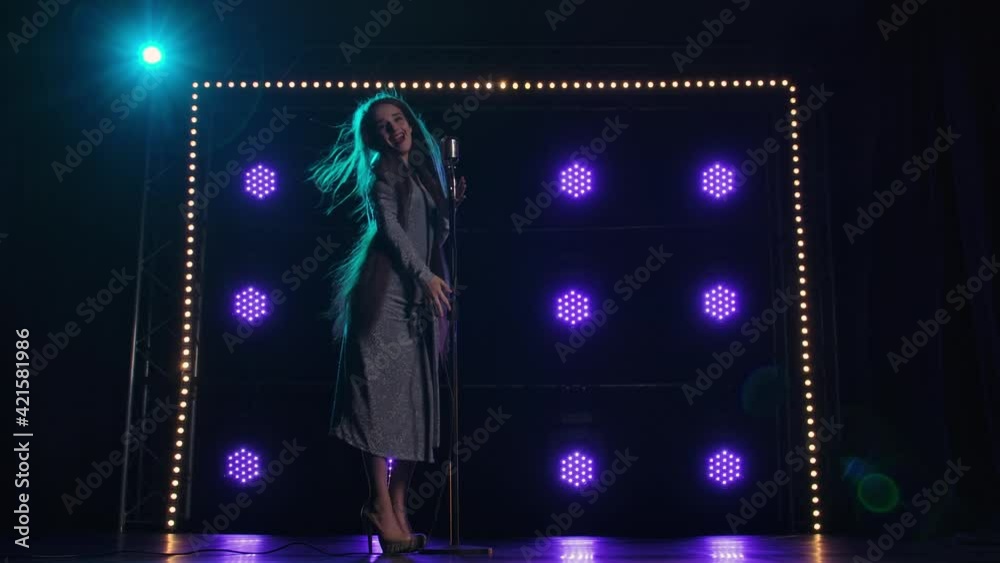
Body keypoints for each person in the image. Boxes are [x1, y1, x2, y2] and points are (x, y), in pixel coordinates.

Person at [309, 92, 465, 554]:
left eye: (398, 119)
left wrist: (450, 207)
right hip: (386, 298)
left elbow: (432, 235)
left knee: (419, 406)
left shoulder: (424, 174)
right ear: (373, 138)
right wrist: (424, 276)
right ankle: (380, 503)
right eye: (382, 125)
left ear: (410, 123)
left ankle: (398, 506)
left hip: (421, 300)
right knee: (379, 404)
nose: (394, 128)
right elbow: (392, 232)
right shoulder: (382, 172)